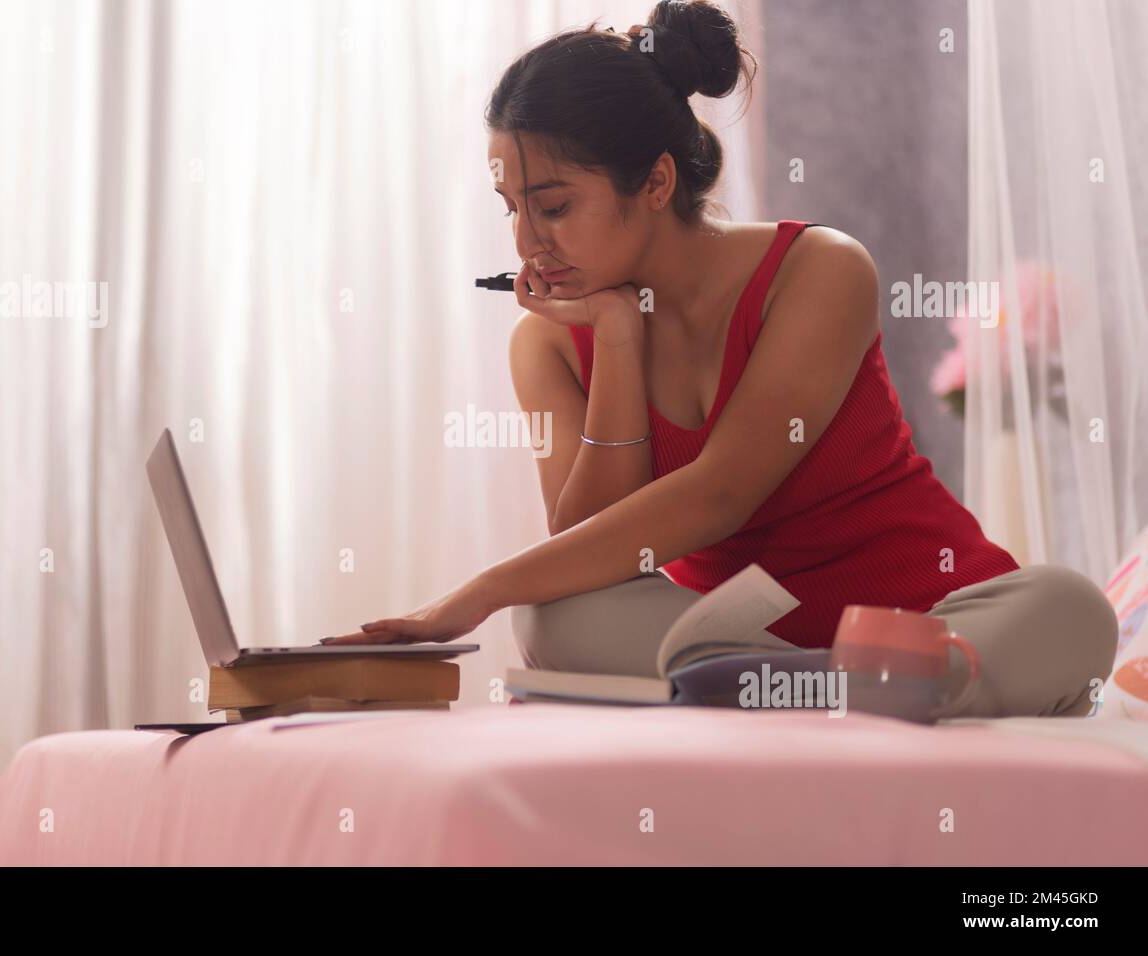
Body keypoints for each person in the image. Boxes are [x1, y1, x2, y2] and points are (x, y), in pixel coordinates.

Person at [324, 1, 1118, 719]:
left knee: (1070, 607)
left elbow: (722, 496)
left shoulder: (820, 270)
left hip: (929, 617)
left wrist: (477, 593)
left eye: (555, 206)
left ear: (658, 182)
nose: (528, 242)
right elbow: (592, 537)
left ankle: (867, 682)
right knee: (557, 611)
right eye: (514, 210)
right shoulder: (548, 343)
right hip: (741, 643)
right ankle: (823, 689)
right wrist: (621, 342)